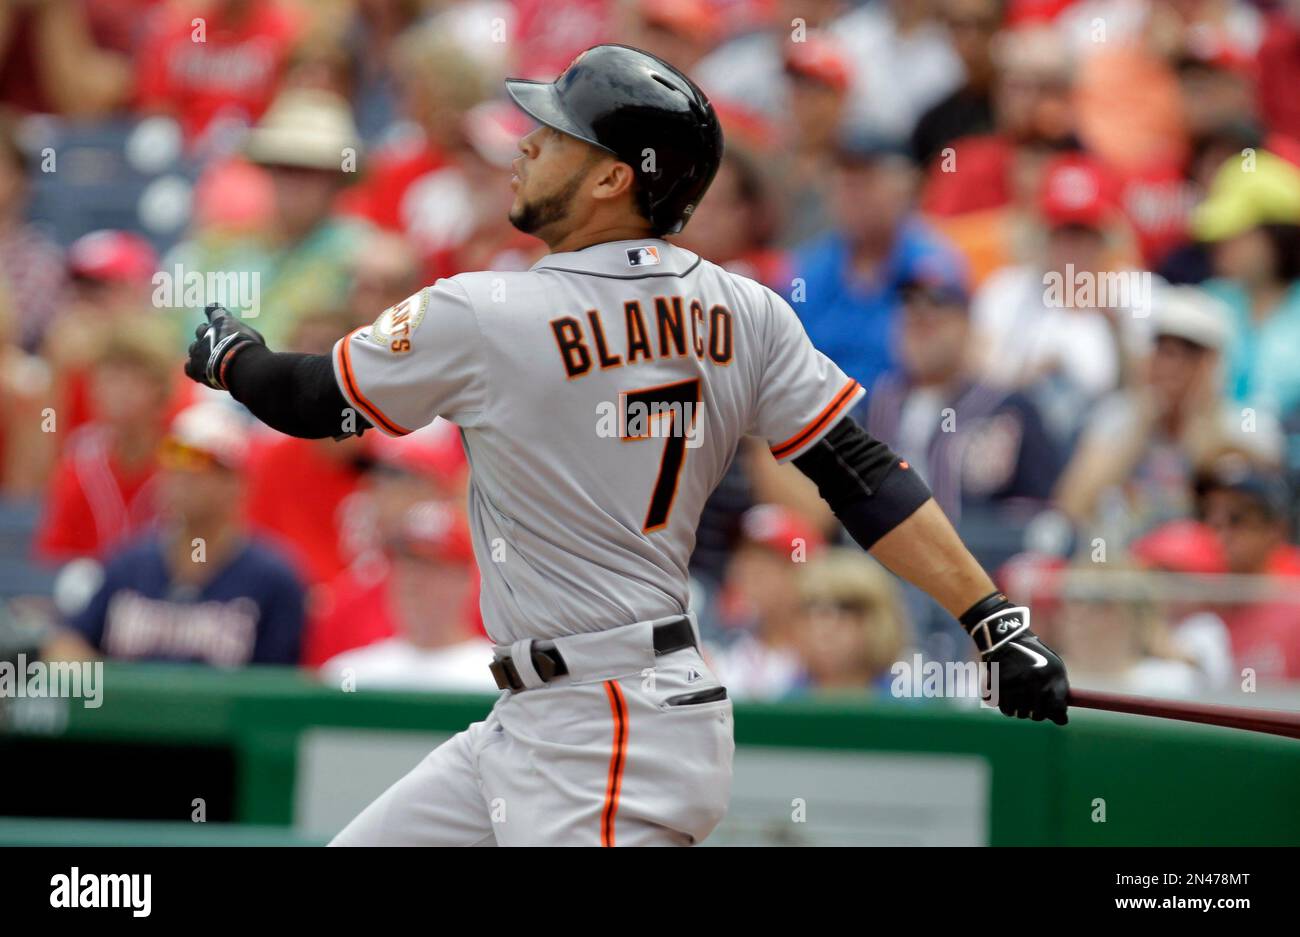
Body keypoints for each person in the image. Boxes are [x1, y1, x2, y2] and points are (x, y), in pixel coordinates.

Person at [185, 45, 1068, 847]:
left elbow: (315, 403)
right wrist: (992, 619)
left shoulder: (487, 312)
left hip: (605, 721)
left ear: (613, 179)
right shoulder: (744, 307)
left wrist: (235, 357)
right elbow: (862, 475)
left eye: (555, 134)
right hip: (555, 715)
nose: (527, 144)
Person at [43, 402, 306, 667]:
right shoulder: (129, 565)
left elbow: (280, 686)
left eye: (199, 462)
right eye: (172, 459)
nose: (181, 475)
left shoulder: (272, 579)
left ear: (235, 483)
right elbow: (69, 644)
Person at [793, 548, 909, 696]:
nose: (824, 625)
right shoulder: (777, 710)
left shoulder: (909, 711)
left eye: (845, 607)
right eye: (811, 608)